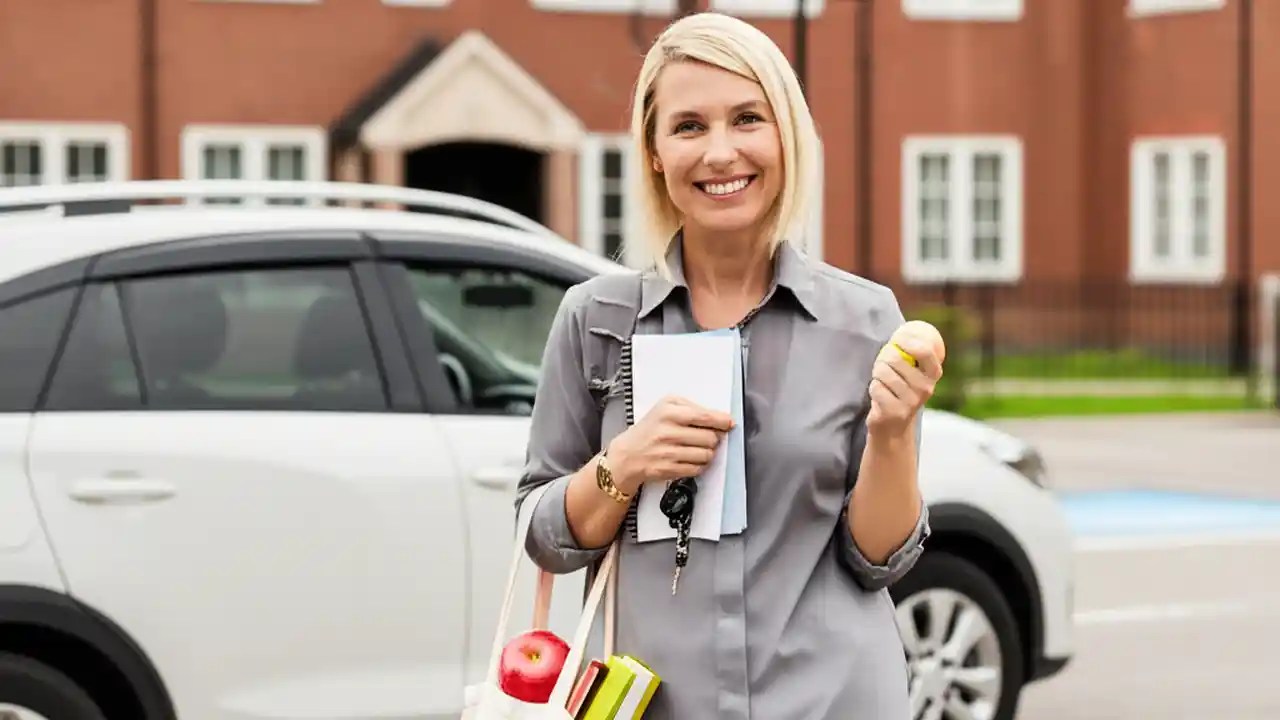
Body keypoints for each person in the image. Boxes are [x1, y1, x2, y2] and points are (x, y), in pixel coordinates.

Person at [516, 11, 943, 719]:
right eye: (688, 127)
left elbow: (879, 559)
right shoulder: (595, 320)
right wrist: (620, 467)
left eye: (748, 119)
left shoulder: (865, 321)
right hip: (657, 705)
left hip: (833, 700)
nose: (720, 152)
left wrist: (893, 433)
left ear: (785, 136)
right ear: (654, 151)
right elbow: (543, 535)